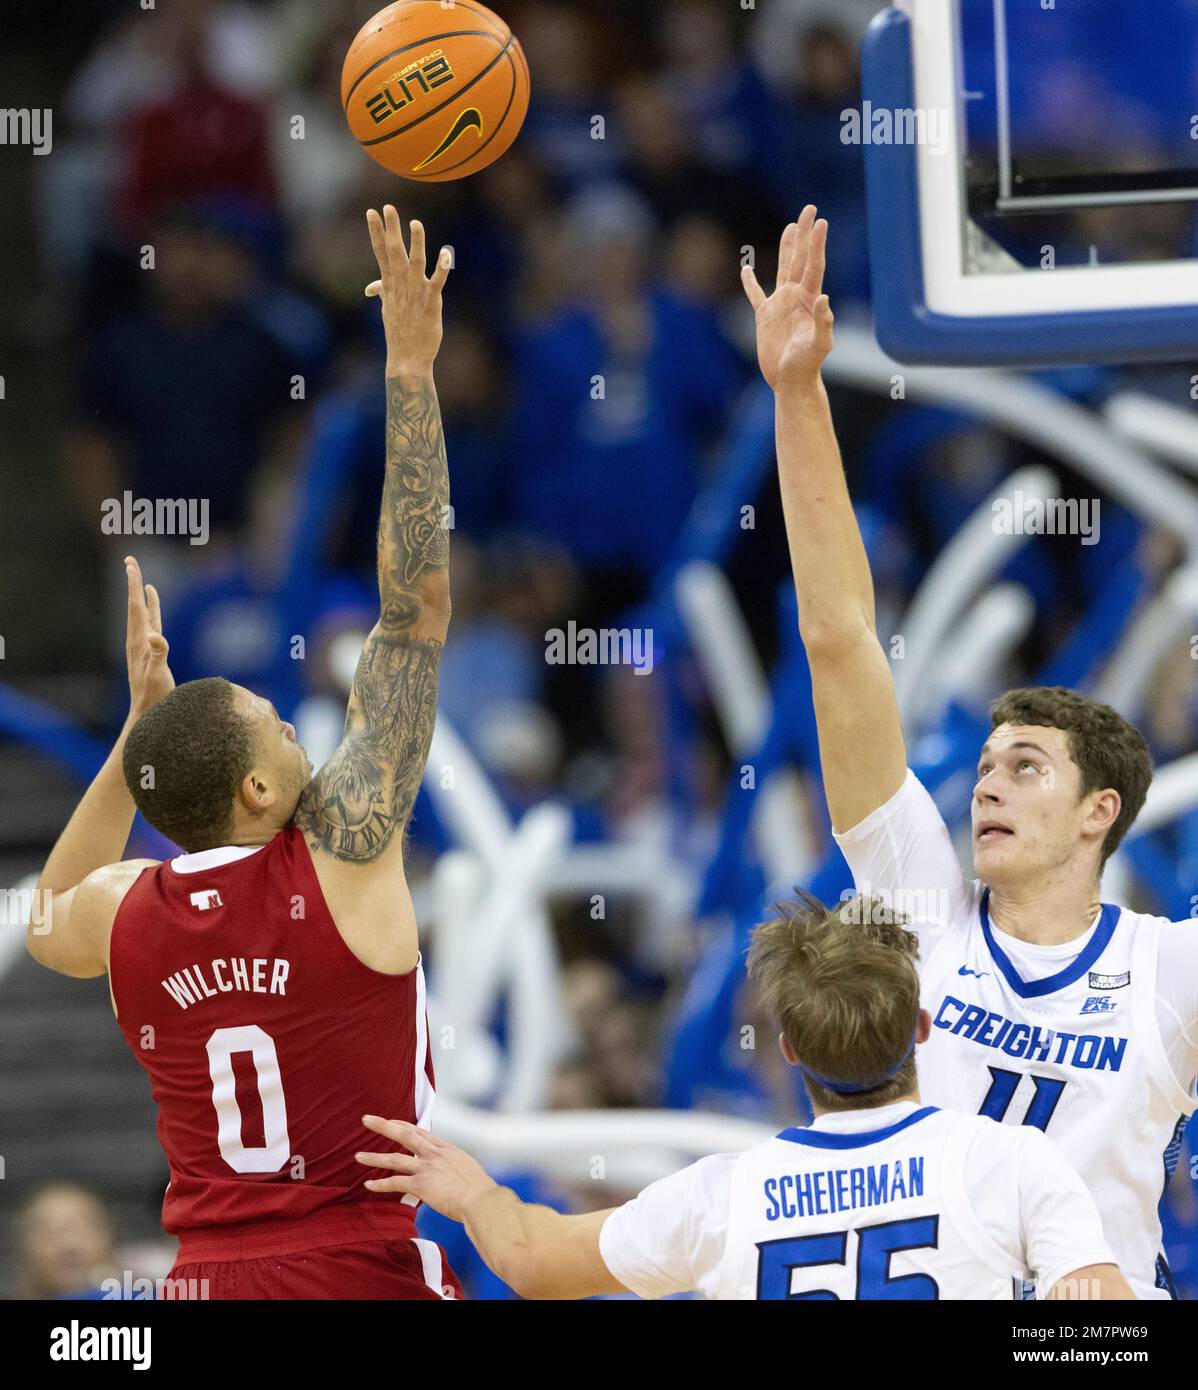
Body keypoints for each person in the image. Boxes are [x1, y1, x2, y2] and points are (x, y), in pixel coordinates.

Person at [739, 205, 1197, 1298]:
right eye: (988, 762)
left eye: (1025, 766)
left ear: (1100, 813)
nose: (987, 779)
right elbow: (839, 643)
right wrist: (798, 397)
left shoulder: (1166, 969)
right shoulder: (917, 911)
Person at [27, 207, 461, 1300]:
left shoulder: (128, 912)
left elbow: (45, 913)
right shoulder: (345, 856)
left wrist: (133, 738)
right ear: (261, 787)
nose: (298, 721)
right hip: (357, 1268)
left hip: (207, 1282)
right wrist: (410, 372)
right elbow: (413, 612)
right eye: (279, 719)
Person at [354, 892, 1132, 1300]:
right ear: (922, 1028)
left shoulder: (725, 1195)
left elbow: (531, 1262)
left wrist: (474, 1190)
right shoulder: (1008, 1160)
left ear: (788, 1049)